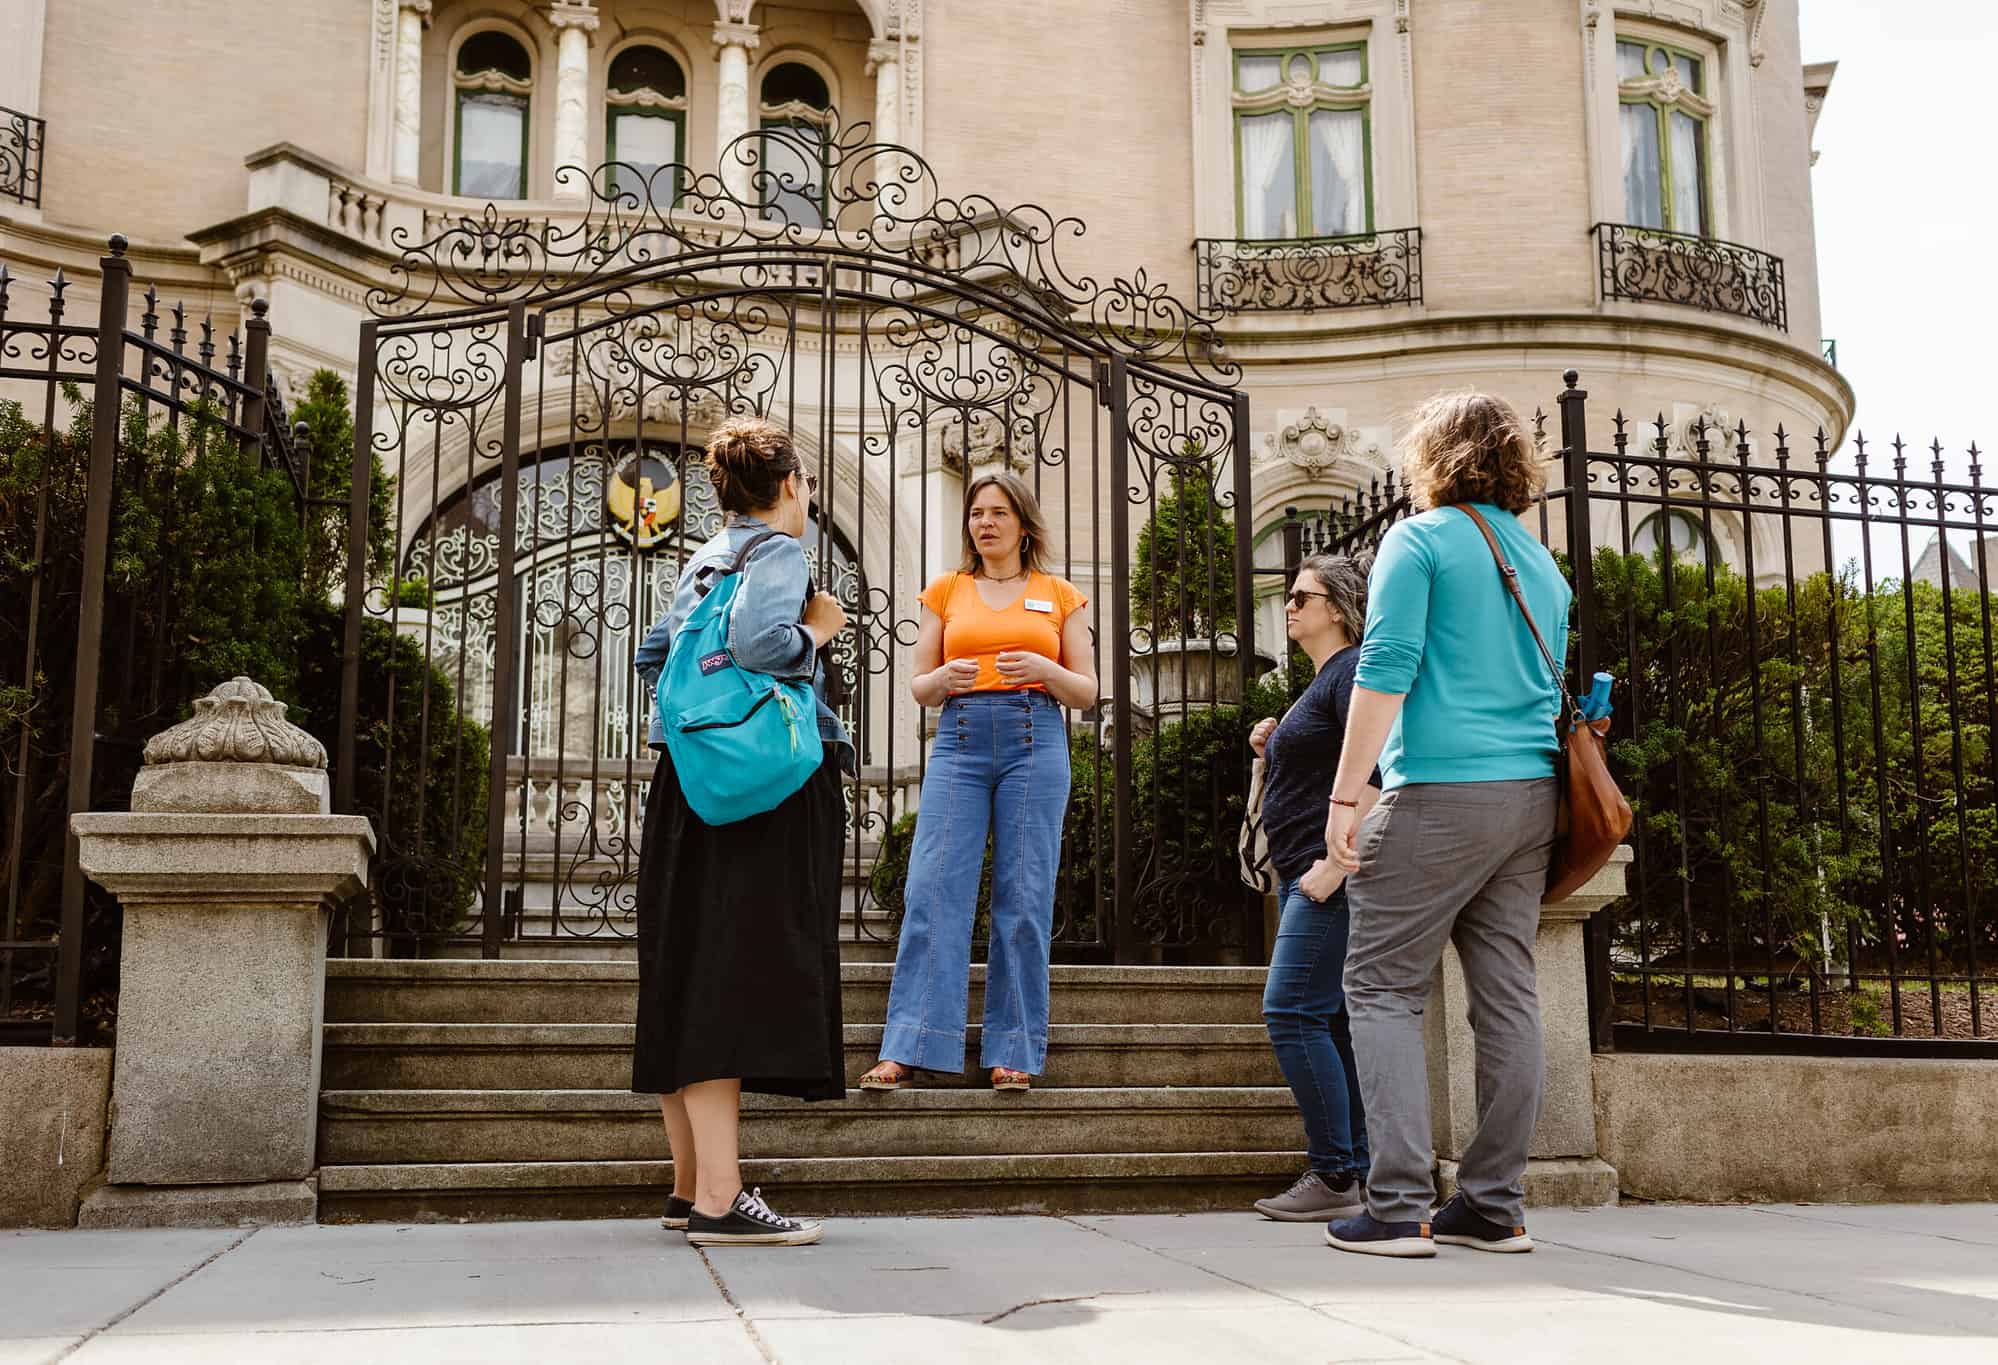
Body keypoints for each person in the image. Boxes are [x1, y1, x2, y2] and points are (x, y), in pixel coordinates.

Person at [1321, 392, 1572, 1258]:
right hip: (1531, 797)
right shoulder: (1542, 564)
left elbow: (1386, 667)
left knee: (1381, 987)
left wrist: (1346, 794)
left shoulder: (1419, 540)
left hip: (1438, 792)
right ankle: (1493, 1203)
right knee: (1507, 995)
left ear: (1431, 458)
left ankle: (1395, 1205)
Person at [630, 416, 852, 1248]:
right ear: (790, 485)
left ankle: (690, 1185)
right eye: (809, 484)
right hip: (763, 790)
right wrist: (819, 633)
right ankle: (722, 1199)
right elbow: (763, 640)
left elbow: (657, 653)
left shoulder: (703, 556)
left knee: (687, 968)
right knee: (727, 971)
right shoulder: (778, 552)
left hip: (688, 781)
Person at [858, 472, 1097, 1092]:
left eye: (998, 512)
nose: (984, 523)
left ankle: (1012, 1049)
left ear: (1023, 523)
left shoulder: (1059, 593)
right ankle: (910, 1044)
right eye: (976, 513)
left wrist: (1045, 667)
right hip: (959, 741)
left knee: (1023, 898)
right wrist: (946, 680)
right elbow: (918, 684)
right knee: (933, 889)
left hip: (1034, 740)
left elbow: (1089, 691)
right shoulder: (947, 592)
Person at [1247, 553, 1382, 1222]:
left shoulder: (1351, 669)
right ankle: (1354, 1168)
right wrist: (1272, 740)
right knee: (1326, 1016)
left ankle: (1335, 1170)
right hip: (1306, 868)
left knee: (1291, 1010)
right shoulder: (1325, 680)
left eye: (1304, 595)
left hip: (1327, 873)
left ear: (1338, 608)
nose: (1291, 604)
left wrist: (1333, 866)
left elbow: (1380, 775)